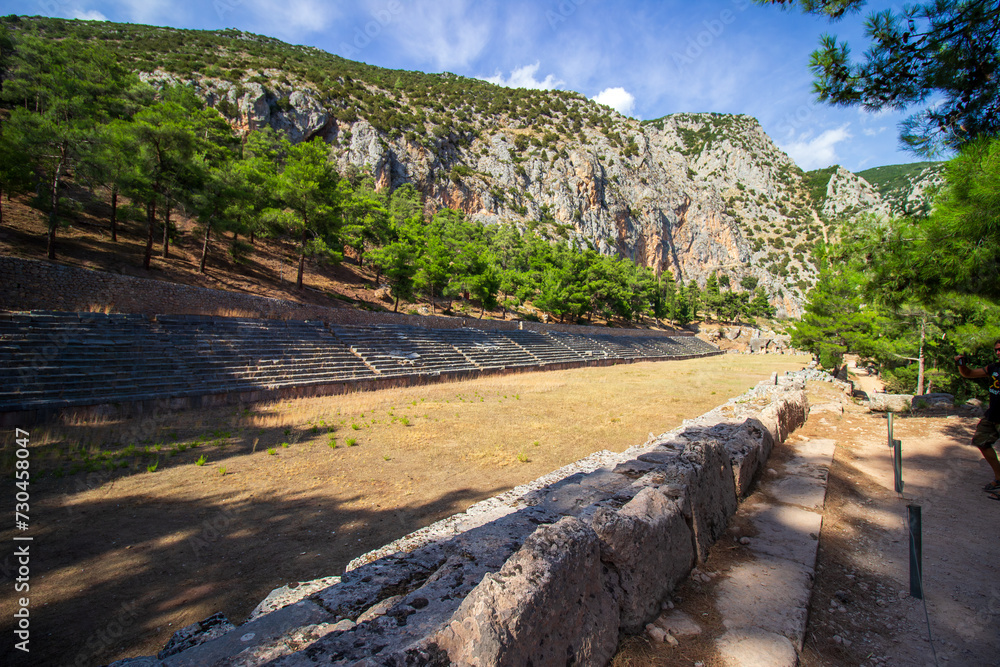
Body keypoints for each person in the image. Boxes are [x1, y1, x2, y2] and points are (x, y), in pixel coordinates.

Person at [956, 341, 1000, 498]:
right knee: (981, 442)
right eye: (996, 350)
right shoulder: (993, 368)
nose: (998, 352)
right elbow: (968, 374)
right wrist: (961, 364)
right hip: (992, 415)